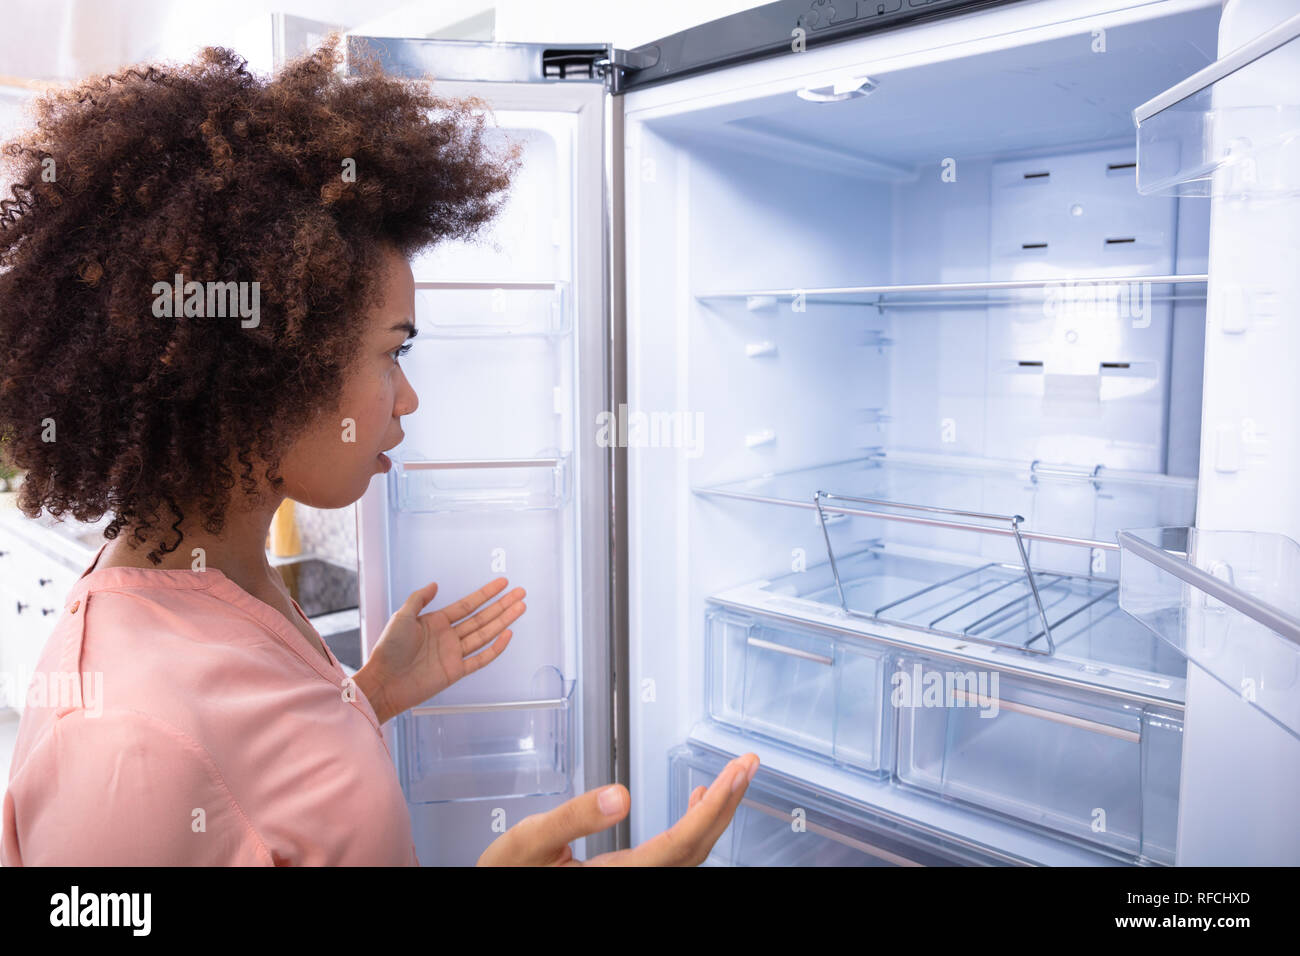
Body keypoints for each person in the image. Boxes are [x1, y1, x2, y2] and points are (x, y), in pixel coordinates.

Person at [0, 37, 756, 866]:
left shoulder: (218, 573)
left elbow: (256, 800)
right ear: (267, 369)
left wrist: (366, 698)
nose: (409, 397)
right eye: (393, 352)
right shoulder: (125, 740)